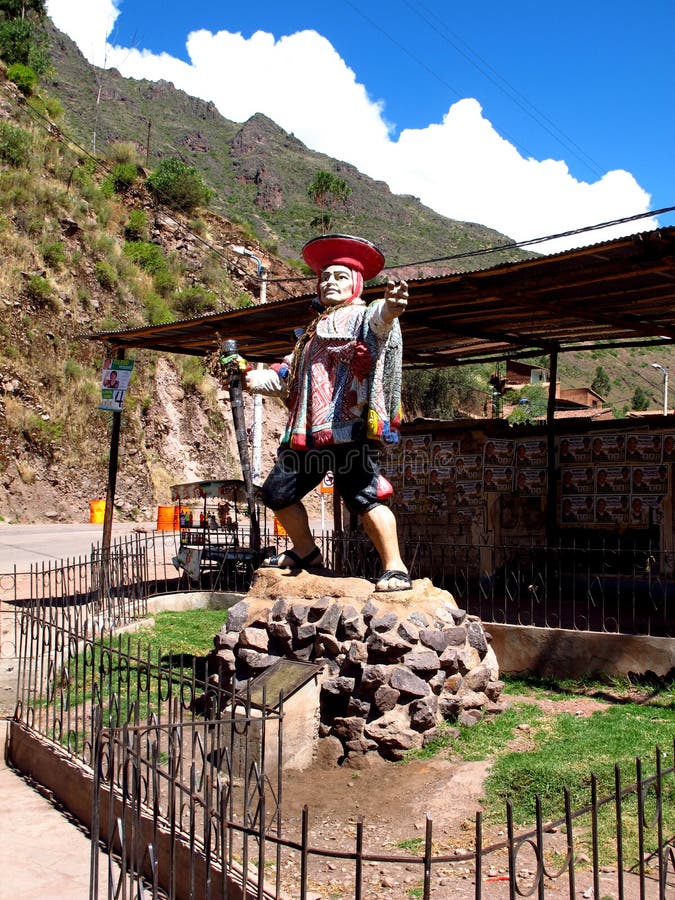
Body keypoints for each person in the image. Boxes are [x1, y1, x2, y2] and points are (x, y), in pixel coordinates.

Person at [243, 234, 411, 592]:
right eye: (325, 277)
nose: (330, 282)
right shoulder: (309, 337)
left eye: (339, 276)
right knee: (277, 492)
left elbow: (381, 323)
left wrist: (390, 308)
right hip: (308, 433)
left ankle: (395, 567)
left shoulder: (363, 316)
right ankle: (306, 553)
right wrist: (243, 374)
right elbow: (283, 378)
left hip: (348, 430)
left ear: (357, 283)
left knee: (364, 496)